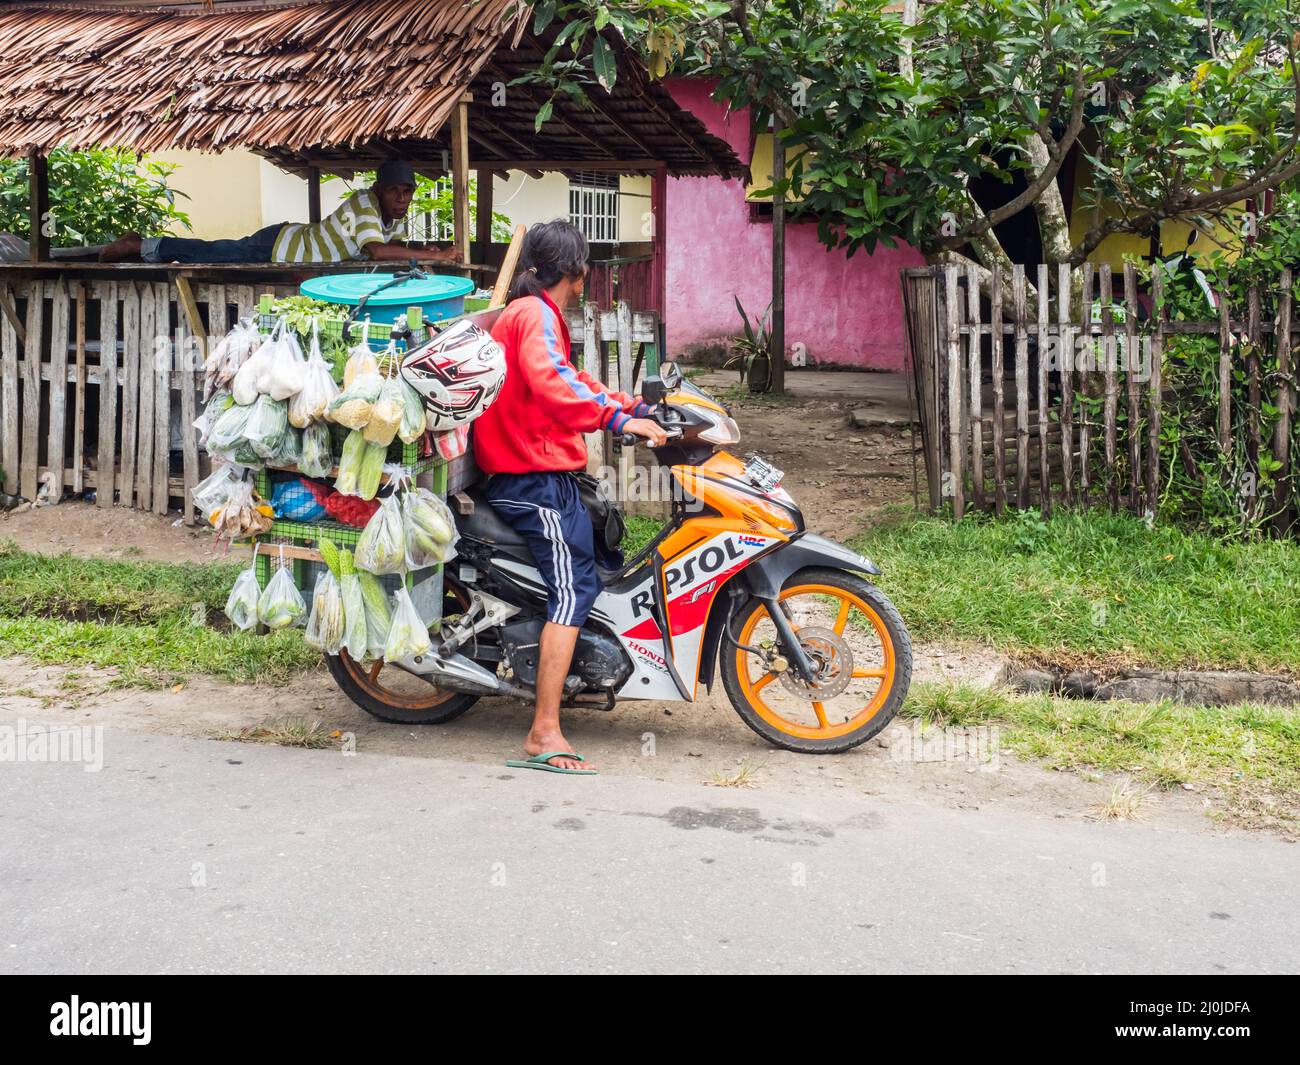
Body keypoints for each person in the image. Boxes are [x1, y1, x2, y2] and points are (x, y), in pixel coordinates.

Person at [473, 220, 668, 775]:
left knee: (599, 558)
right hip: (529, 479)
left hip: (544, 472)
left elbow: (571, 378)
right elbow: (554, 386)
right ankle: (543, 731)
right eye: (588, 269)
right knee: (573, 588)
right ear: (577, 272)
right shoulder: (533, 316)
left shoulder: (536, 314)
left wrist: (630, 406)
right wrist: (615, 419)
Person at [98, 161, 460, 265]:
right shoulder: (365, 203)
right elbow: (378, 251)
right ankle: (144, 246)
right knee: (213, 252)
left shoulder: (386, 217)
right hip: (280, 247)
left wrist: (424, 252)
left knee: (215, 250)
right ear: (379, 189)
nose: (403, 197)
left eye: (408, 191)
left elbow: (389, 247)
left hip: (290, 241)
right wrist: (440, 254)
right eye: (397, 190)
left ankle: (147, 246)